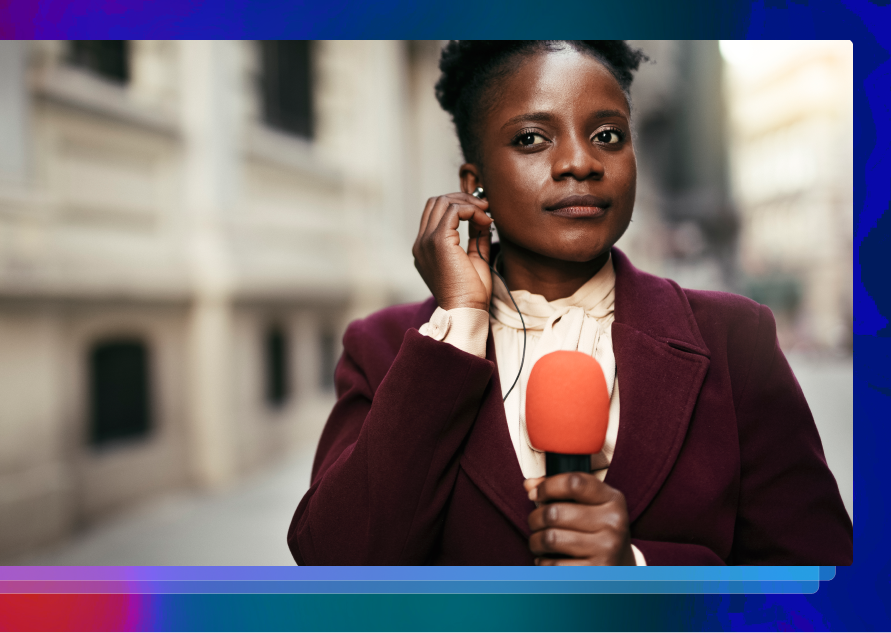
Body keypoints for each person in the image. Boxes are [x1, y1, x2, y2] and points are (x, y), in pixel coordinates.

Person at [287, 41, 852, 565]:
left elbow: (824, 577)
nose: (581, 162)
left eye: (608, 135)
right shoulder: (383, 349)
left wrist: (642, 570)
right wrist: (459, 321)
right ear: (473, 182)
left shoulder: (735, 338)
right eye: (532, 138)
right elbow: (334, 563)